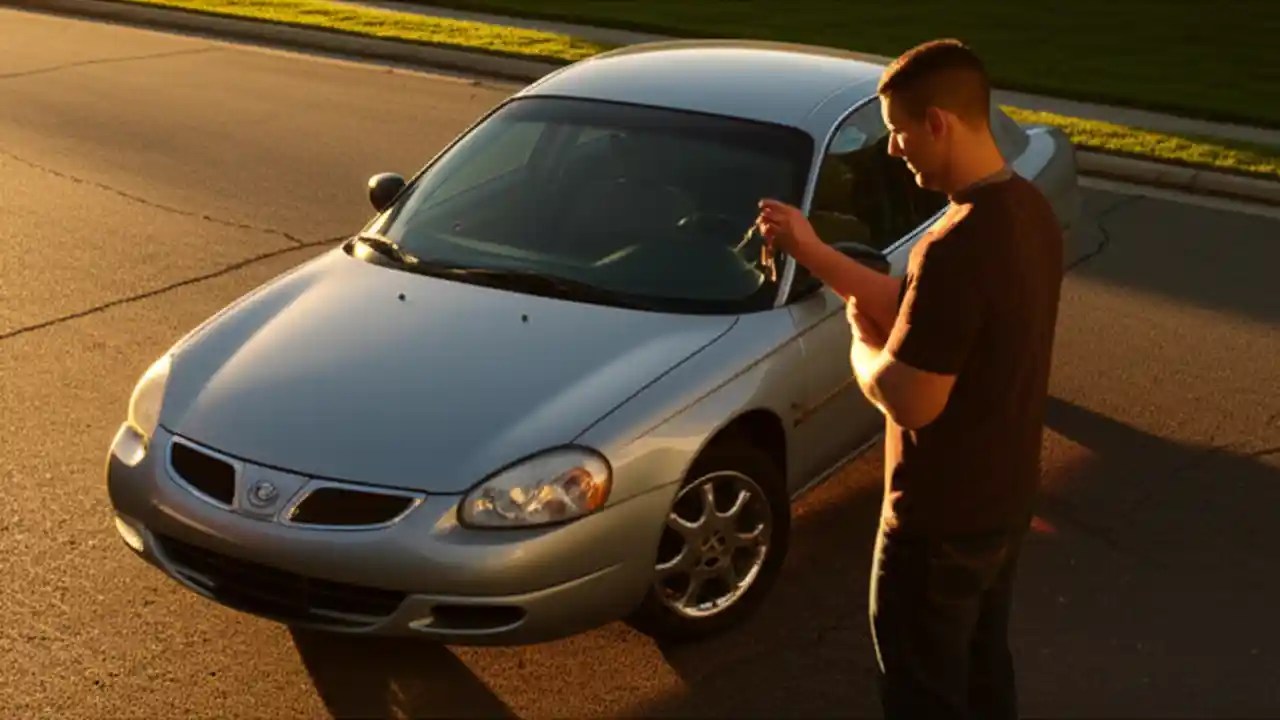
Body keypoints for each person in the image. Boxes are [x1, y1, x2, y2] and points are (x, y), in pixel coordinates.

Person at [755, 39, 1065, 719]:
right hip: (1000, 505)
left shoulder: (955, 245)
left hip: (936, 524)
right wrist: (813, 251)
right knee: (983, 676)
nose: (893, 150)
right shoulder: (1025, 214)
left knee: (921, 691)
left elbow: (912, 399)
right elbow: (915, 310)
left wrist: (863, 355)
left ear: (938, 125)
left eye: (897, 132)